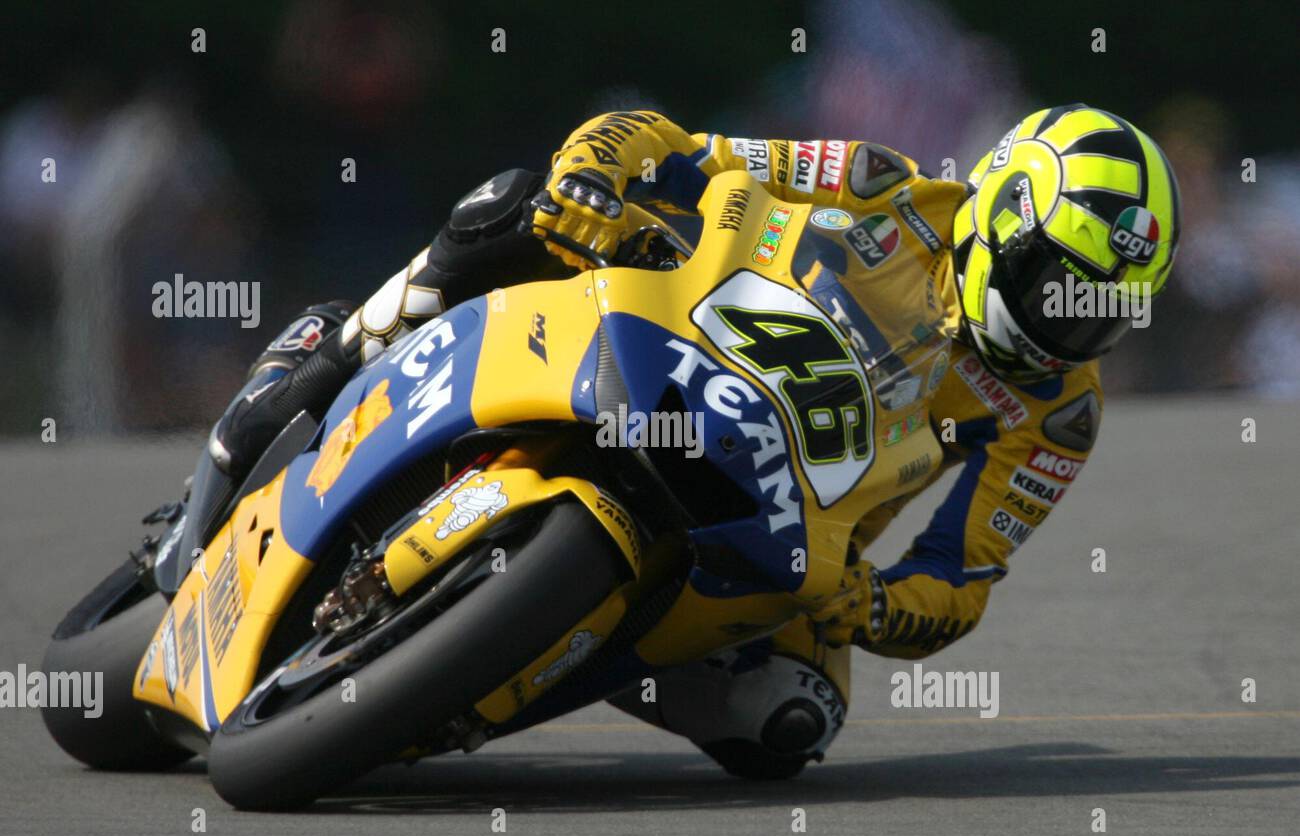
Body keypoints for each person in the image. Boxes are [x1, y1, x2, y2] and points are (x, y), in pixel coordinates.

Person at [208, 105, 1180, 778]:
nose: (1071, 323)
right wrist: (596, 172)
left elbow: (961, 579)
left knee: (791, 720)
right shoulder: (879, 184)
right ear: (1003, 215)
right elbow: (675, 145)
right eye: (1058, 283)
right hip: (668, 348)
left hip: (788, 523)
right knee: (509, 202)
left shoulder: (1058, 410)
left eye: (1102, 309)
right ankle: (327, 357)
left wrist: (871, 605)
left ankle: (477, 679)